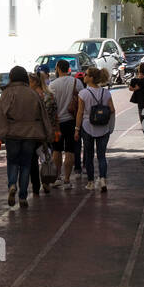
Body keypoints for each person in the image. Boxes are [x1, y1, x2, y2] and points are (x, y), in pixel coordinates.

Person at [0, 65, 54, 208]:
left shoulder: (7, 93)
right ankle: (23, 196)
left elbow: (0, 114)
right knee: (26, 164)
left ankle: (12, 184)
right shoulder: (32, 93)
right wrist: (47, 133)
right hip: (30, 134)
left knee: (12, 162)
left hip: (12, 133)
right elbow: (43, 115)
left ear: (12, 77)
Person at [75, 66, 114, 192]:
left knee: (89, 155)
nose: (84, 76)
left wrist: (76, 129)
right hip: (103, 127)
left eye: (86, 74)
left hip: (87, 126)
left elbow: (80, 112)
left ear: (91, 78)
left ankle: (91, 182)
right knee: (101, 156)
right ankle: (103, 179)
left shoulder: (83, 93)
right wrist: (109, 124)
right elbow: (112, 109)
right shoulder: (106, 92)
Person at [49, 58, 79, 187]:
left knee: (56, 150)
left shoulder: (53, 85)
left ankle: (57, 178)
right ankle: (67, 179)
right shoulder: (76, 82)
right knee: (70, 151)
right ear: (68, 69)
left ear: (58, 69)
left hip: (57, 123)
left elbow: (50, 105)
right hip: (72, 121)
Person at [28, 72, 59, 196]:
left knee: (33, 161)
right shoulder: (49, 95)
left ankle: (36, 186)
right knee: (46, 157)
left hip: (33, 132)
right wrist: (55, 128)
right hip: (47, 132)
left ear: (35, 82)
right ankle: (46, 181)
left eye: (29, 81)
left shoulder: (30, 97)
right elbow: (54, 114)